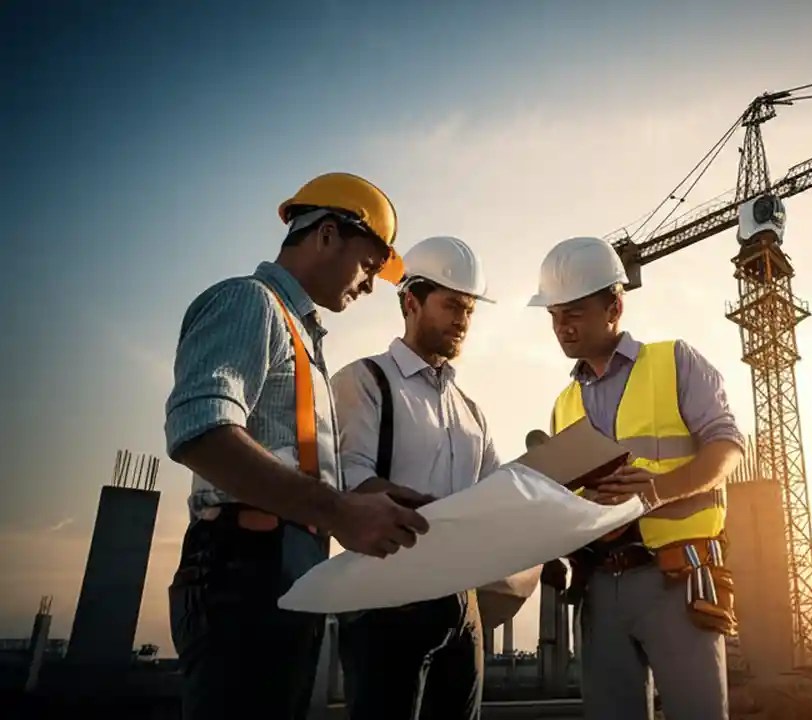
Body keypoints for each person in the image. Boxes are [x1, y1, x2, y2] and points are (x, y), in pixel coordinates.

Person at [164, 172, 432, 720]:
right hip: (244, 568)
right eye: (369, 265)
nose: (370, 285)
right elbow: (202, 431)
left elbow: (295, 462)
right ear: (327, 235)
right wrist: (338, 511)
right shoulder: (250, 302)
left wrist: (369, 497)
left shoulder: (301, 337)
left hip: (285, 565)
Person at [529, 236, 746, 720]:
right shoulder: (564, 404)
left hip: (675, 579)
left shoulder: (674, 361)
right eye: (554, 316)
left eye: (574, 313)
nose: (562, 328)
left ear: (614, 306)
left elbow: (728, 446)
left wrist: (655, 492)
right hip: (599, 588)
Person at [330, 235, 499, 720]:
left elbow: (493, 494)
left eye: (469, 309)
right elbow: (350, 478)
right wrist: (440, 516)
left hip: (462, 606)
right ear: (410, 302)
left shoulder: (471, 412)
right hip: (389, 598)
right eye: (451, 305)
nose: (463, 320)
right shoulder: (363, 381)